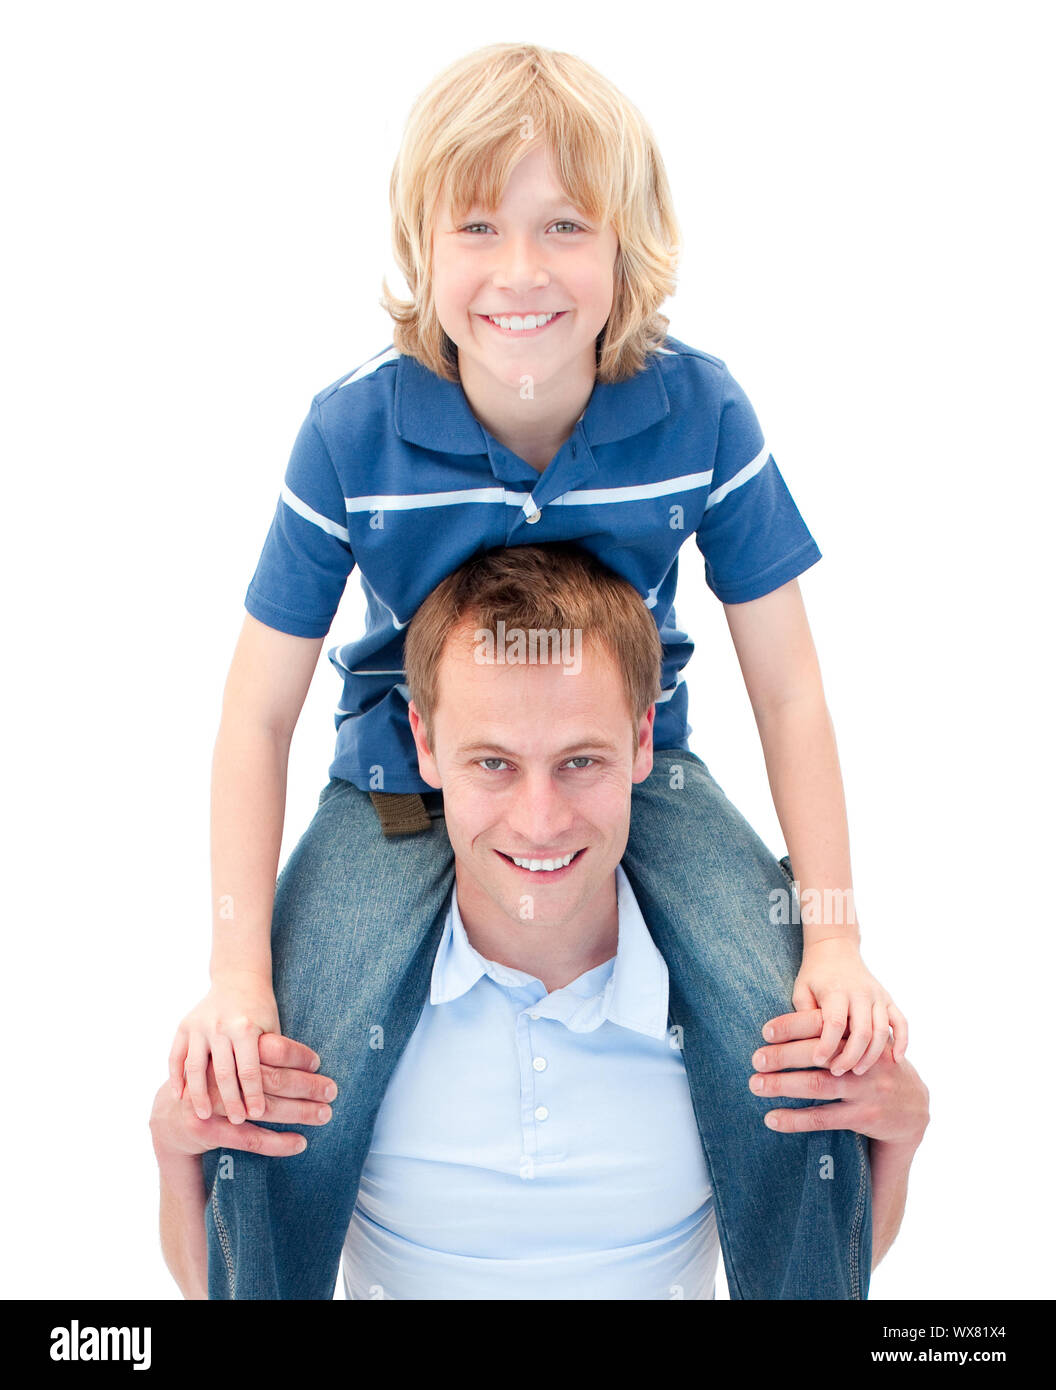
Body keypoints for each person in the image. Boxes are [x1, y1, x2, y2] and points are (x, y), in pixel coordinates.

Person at [167, 42, 906, 1299]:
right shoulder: (351, 428)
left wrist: (834, 941)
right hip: (398, 781)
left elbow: (790, 690)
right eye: (477, 226)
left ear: (628, 247)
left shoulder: (701, 412)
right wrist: (237, 975)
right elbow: (256, 710)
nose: (520, 270)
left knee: (792, 1053)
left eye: (565, 225)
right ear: (422, 247)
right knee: (276, 1079)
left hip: (631, 769)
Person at [151, 545, 929, 1299]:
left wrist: (899, 1139)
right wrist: (175, 1157)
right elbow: (230, 1282)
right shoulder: (330, 1018)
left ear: (643, 740)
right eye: (494, 763)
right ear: (424, 744)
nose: (540, 820)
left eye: (579, 761)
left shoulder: (746, 1010)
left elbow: (813, 1262)